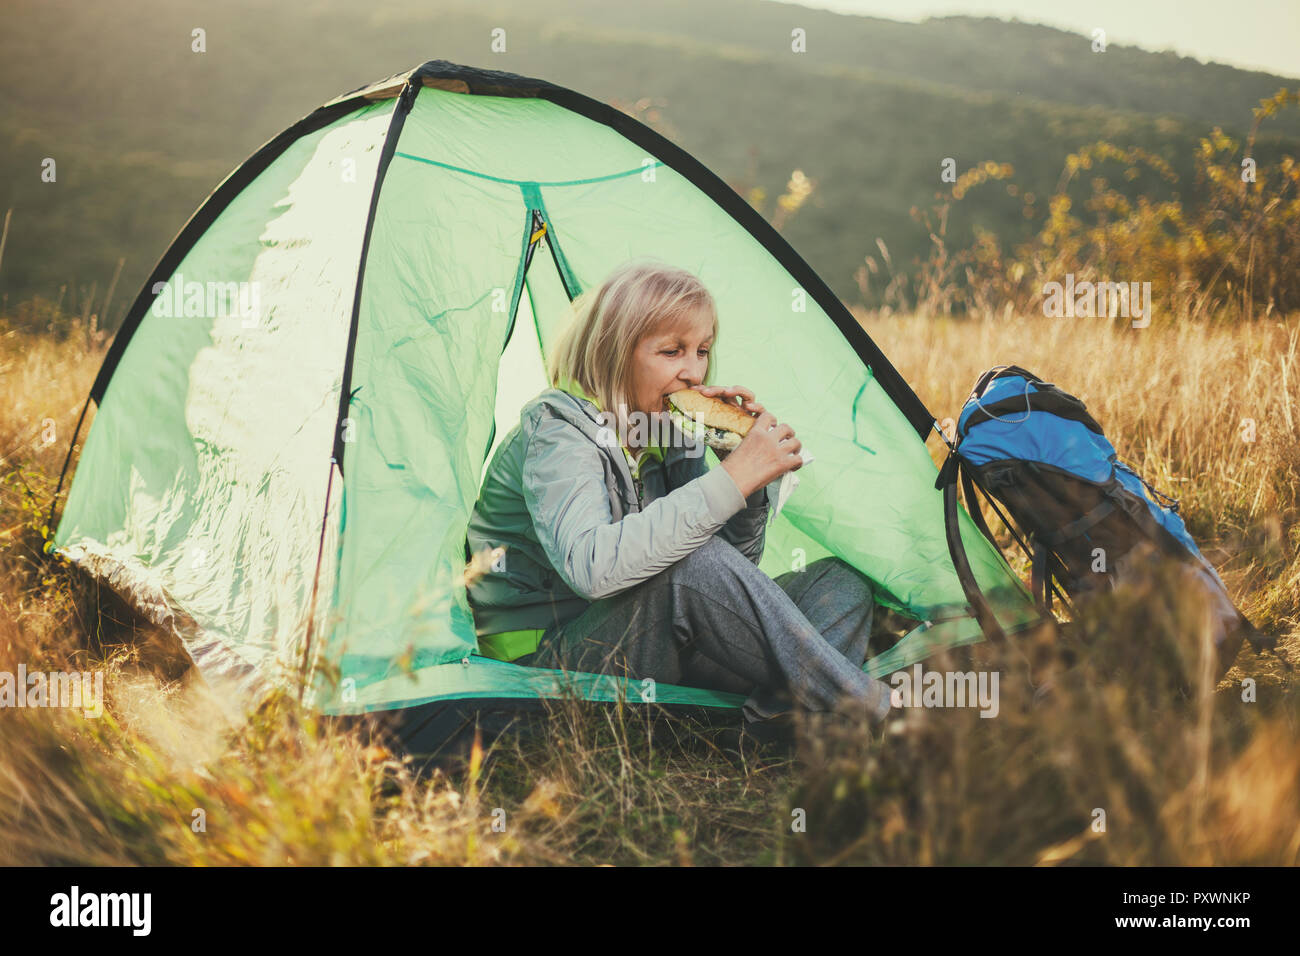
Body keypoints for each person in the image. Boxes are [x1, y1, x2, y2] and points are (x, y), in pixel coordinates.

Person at [465, 259, 893, 735]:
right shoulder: (557, 433)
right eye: (672, 351)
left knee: (840, 581)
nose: (693, 371)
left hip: (653, 640)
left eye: (702, 350)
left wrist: (742, 474)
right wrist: (730, 479)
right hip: (545, 665)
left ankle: (775, 724)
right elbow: (592, 566)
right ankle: (876, 710)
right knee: (690, 567)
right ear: (613, 353)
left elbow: (726, 579)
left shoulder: (670, 431)